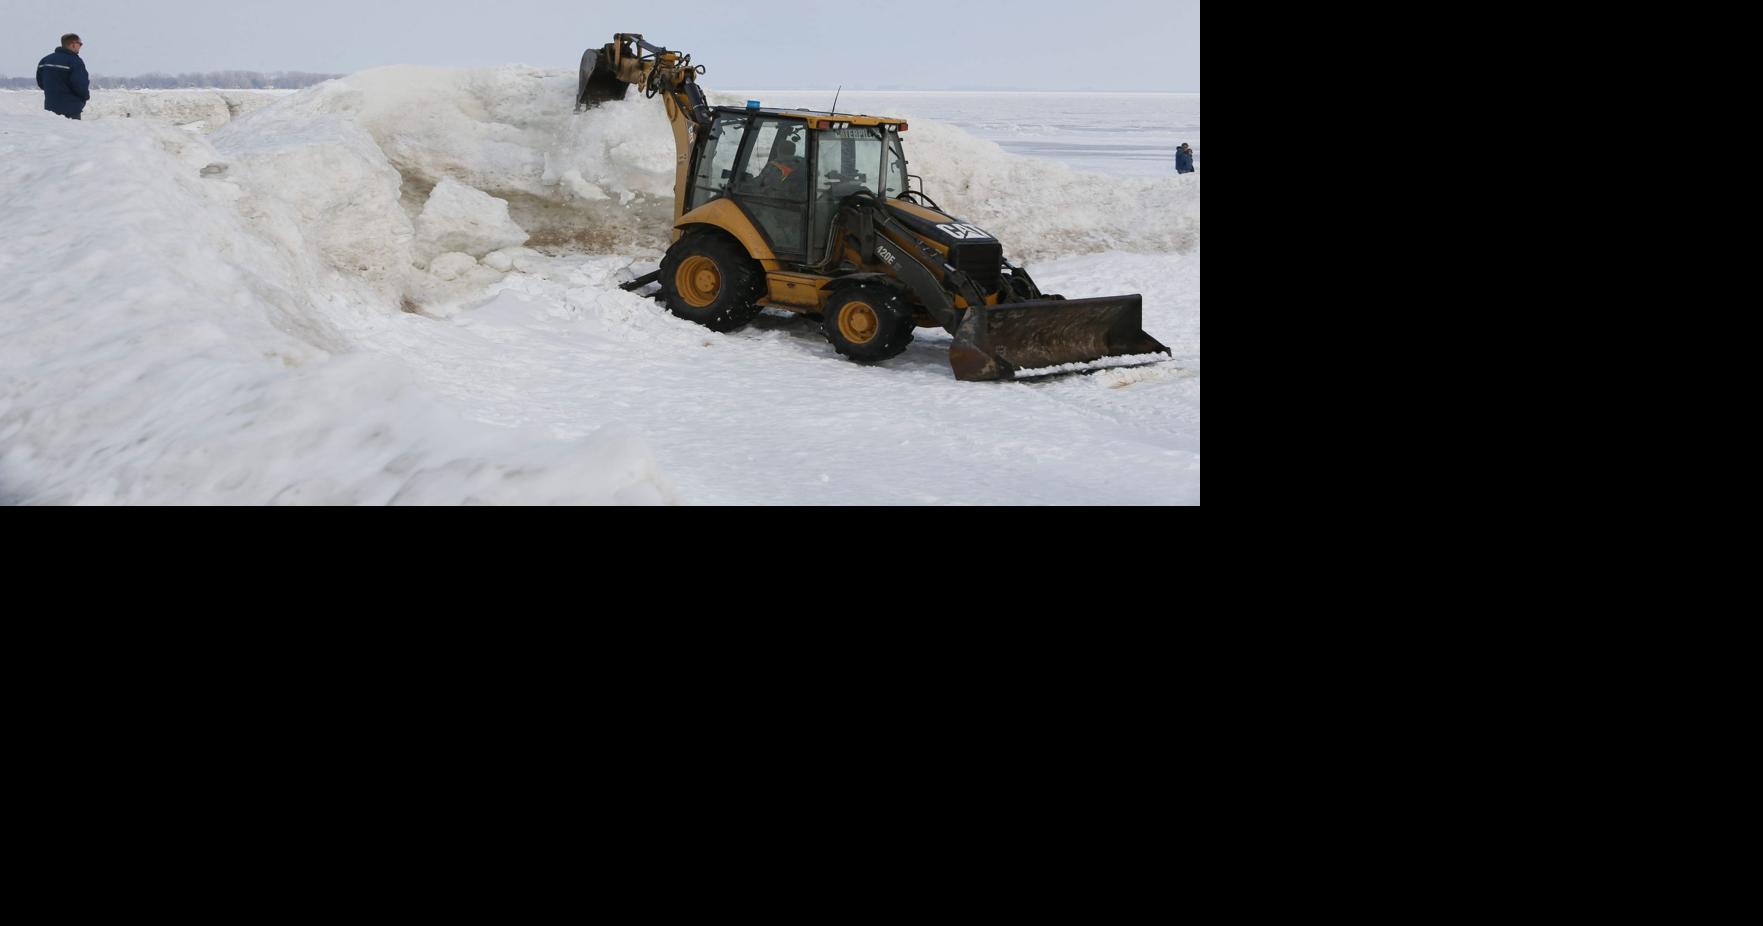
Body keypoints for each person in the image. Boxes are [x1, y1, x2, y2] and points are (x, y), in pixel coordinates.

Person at [37, 34, 90, 120]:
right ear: (73, 44)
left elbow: (41, 82)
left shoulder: (45, 60)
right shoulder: (75, 61)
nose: (80, 46)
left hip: (50, 108)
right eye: (80, 44)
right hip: (71, 109)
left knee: (53, 133)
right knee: (72, 132)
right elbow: (80, 84)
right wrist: (85, 96)